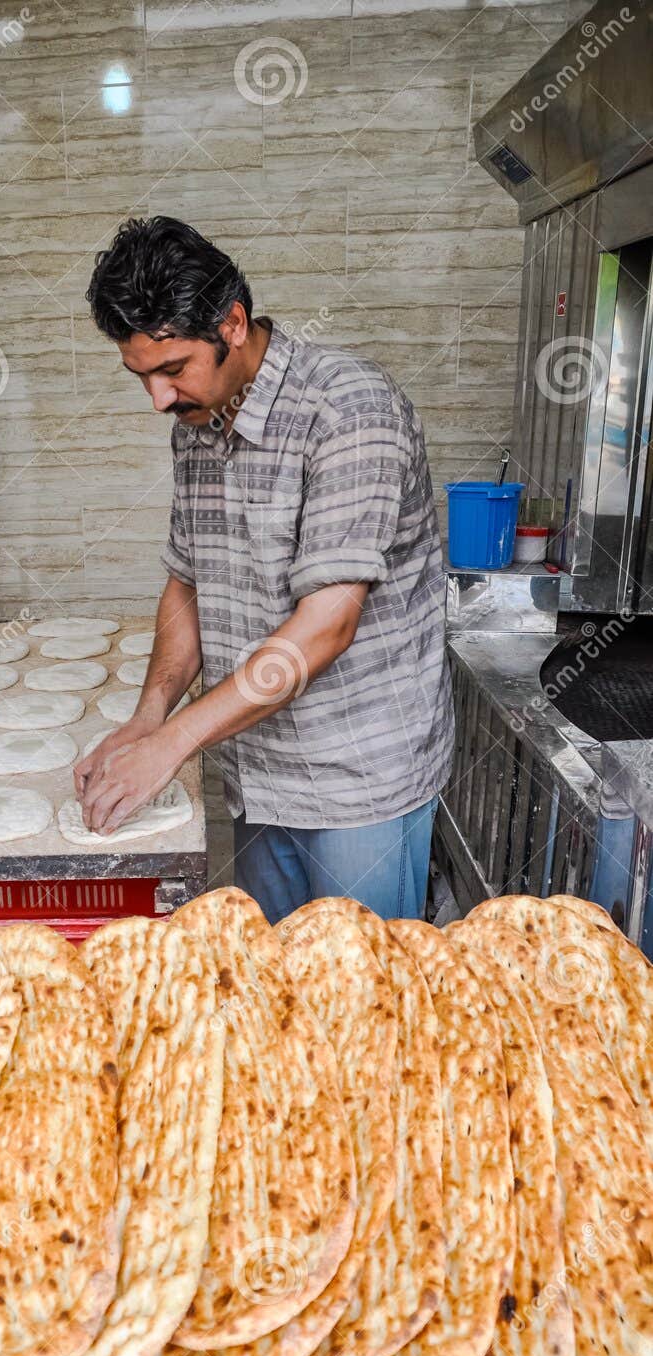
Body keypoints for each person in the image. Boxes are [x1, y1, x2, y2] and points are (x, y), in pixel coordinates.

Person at [74, 215, 455, 924]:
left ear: (233, 324)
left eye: (172, 369)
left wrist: (174, 743)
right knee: (274, 978)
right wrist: (148, 719)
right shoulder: (196, 425)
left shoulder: (349, 410)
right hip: (256, 769)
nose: (158, 398)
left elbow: (326, 627)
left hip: (356, 782)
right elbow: (188, 583)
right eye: (140, 375)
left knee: (357, 983)